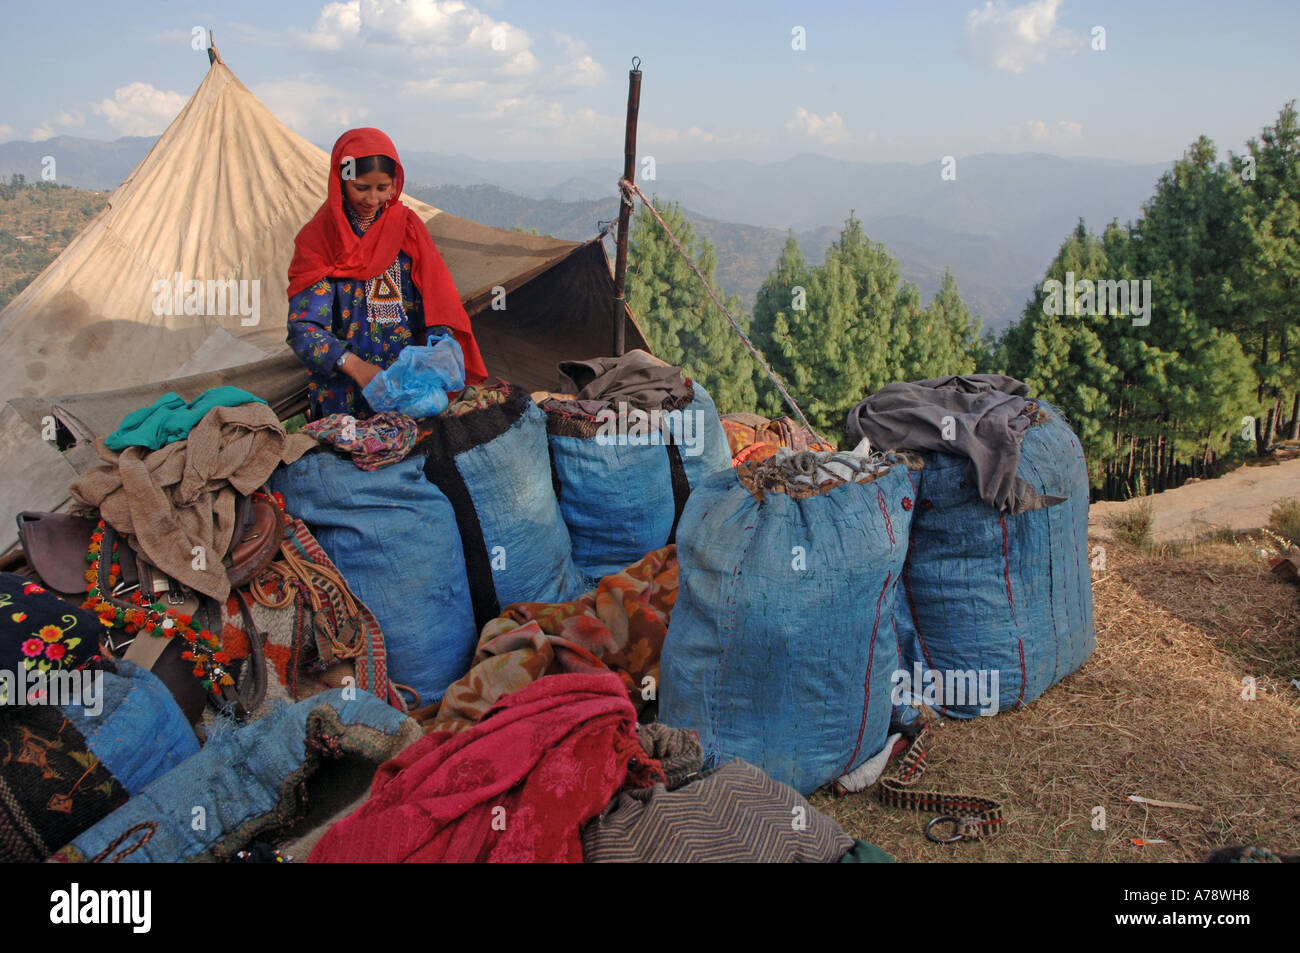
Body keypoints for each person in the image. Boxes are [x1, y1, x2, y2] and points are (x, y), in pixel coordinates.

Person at [286, 127, 487, 421]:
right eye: (361, 188)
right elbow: (303, 329)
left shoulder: (407, 229)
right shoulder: (320, 241)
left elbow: (436, 302)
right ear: (341, 182)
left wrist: (439, 346)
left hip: (406, 395)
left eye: (383, 188)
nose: (372, 199)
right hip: (344, 399)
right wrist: (355, 366)